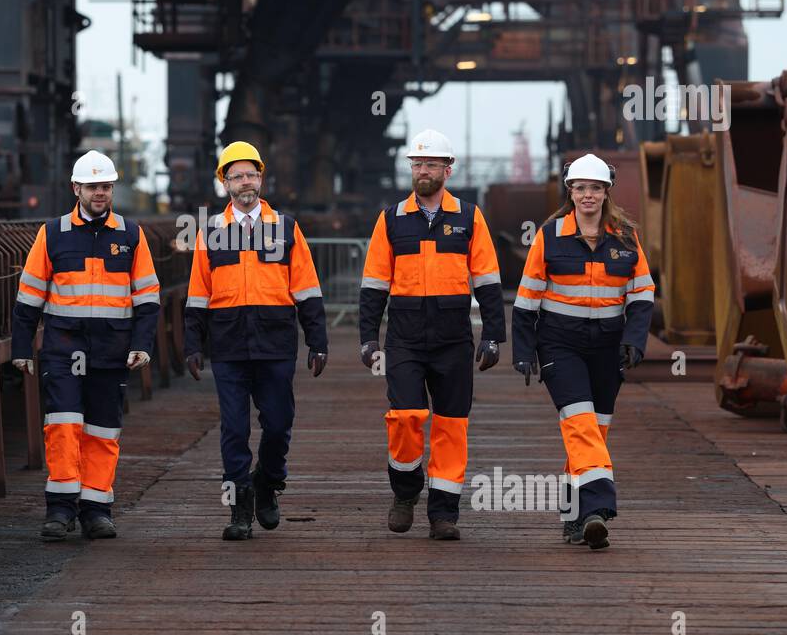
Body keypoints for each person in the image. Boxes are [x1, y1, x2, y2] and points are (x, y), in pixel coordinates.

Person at [359, 129, 506, 540]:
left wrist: (494, 334)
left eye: (431, 165)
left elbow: (489, 281)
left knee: (451, 425)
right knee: (405, 417)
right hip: (403, 339)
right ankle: (405, 492)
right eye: (417, 165)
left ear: (448, 169)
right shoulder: (391, 220)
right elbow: (373, 284)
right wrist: (368, 338)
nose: (423, 171)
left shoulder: (469, 218)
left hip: (453, 339)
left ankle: (444, 513)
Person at [184, 141, 329, 541]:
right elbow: (198, 293)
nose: (245, 182)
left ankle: (268, 481)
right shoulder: (211, 231)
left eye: (251, 174)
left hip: (276, 342)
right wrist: (192, 345)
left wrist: (318, 341)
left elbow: (306, 288)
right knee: (233, 428)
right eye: (237, 176)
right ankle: (240, 506)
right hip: (228, 345)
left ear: (261, 179)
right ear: (224, 183)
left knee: (279, 423)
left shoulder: (285, 228)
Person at [11, 150, 159, 540]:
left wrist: (143, 343)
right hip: (64, 346)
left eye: (106, 186)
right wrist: (22, 348)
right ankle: (60, 510)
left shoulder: (130, 235)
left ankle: (96, 510)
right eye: (93, 186)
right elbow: (29, 297)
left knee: (103, 431)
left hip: (112, 350)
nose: (100, 193)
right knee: (62, 425)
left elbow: (147, 297)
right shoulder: (53, 233)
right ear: (76, 188)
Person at [510, 153, 655, 550]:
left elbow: (642, 293)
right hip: (560, 343)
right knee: (580, 422)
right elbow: (527, 299)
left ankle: (573, 517)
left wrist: (634, 341)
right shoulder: (550, 235)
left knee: (595, 430)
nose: (587, 195)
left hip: (608, 347)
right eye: (580, 188)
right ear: (570, 192)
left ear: (606, 192)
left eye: (595, 188)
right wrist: (523, 351)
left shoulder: (625, 238)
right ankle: (598, 508)